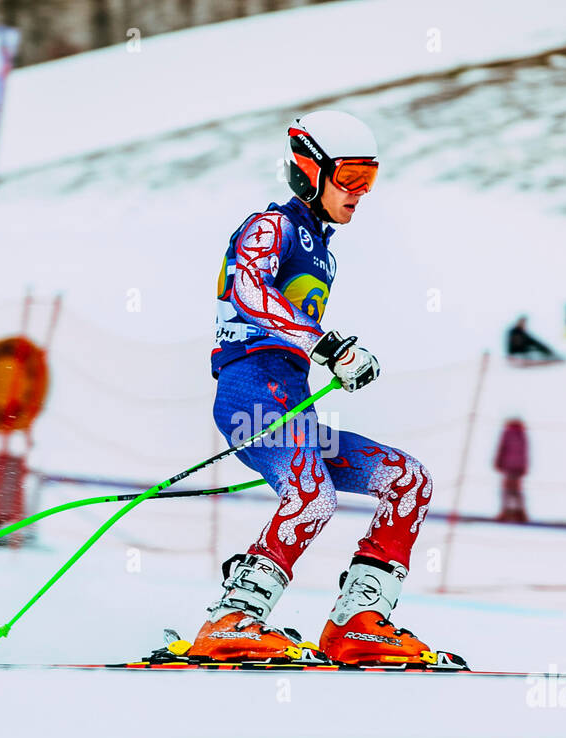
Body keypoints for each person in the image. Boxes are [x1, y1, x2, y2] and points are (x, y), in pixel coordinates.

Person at [176, 110, 462, 668]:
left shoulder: (322, 248)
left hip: (287, 401)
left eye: (370, 179)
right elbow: (247, 289)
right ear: (310, 170)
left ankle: (357, 624)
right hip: (250, 396)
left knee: (407, 480)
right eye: (350, 177)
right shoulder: (270, 226)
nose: (360, 193)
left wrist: (324, 354)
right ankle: (232, 620)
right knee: (310, 494)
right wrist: (327, 345)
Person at [494, 418, 529, 522]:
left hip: (509, 466)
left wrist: (498, 462)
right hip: (518, 466)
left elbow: (502, 448)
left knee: (507, 490)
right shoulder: (522, 434)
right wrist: (524, 466)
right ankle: (519, 512)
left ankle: (507, 511)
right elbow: (525, 452)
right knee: (516, 491)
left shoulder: (508, 433)